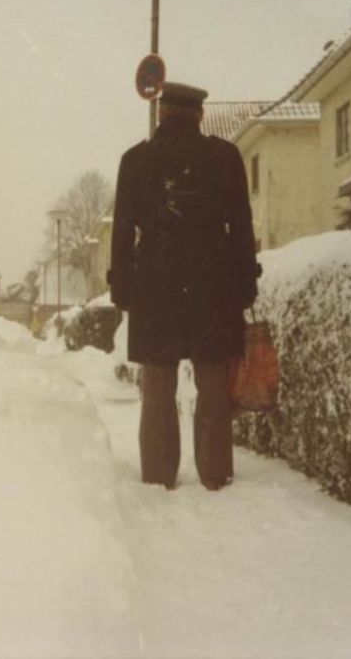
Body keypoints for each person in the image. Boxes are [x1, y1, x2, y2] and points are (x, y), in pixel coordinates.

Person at [107, 81, 261, 491]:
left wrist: (121, 288)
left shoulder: (135, 160)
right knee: (212, 382)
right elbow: (242, 227)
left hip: (155, 286)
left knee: (157, 384)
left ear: (161, 114)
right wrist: (246, 284)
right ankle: (215, 475)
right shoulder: (225, 157)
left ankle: (158, 475)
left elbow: (122, 231)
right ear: (199, 115)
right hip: (214, 284)